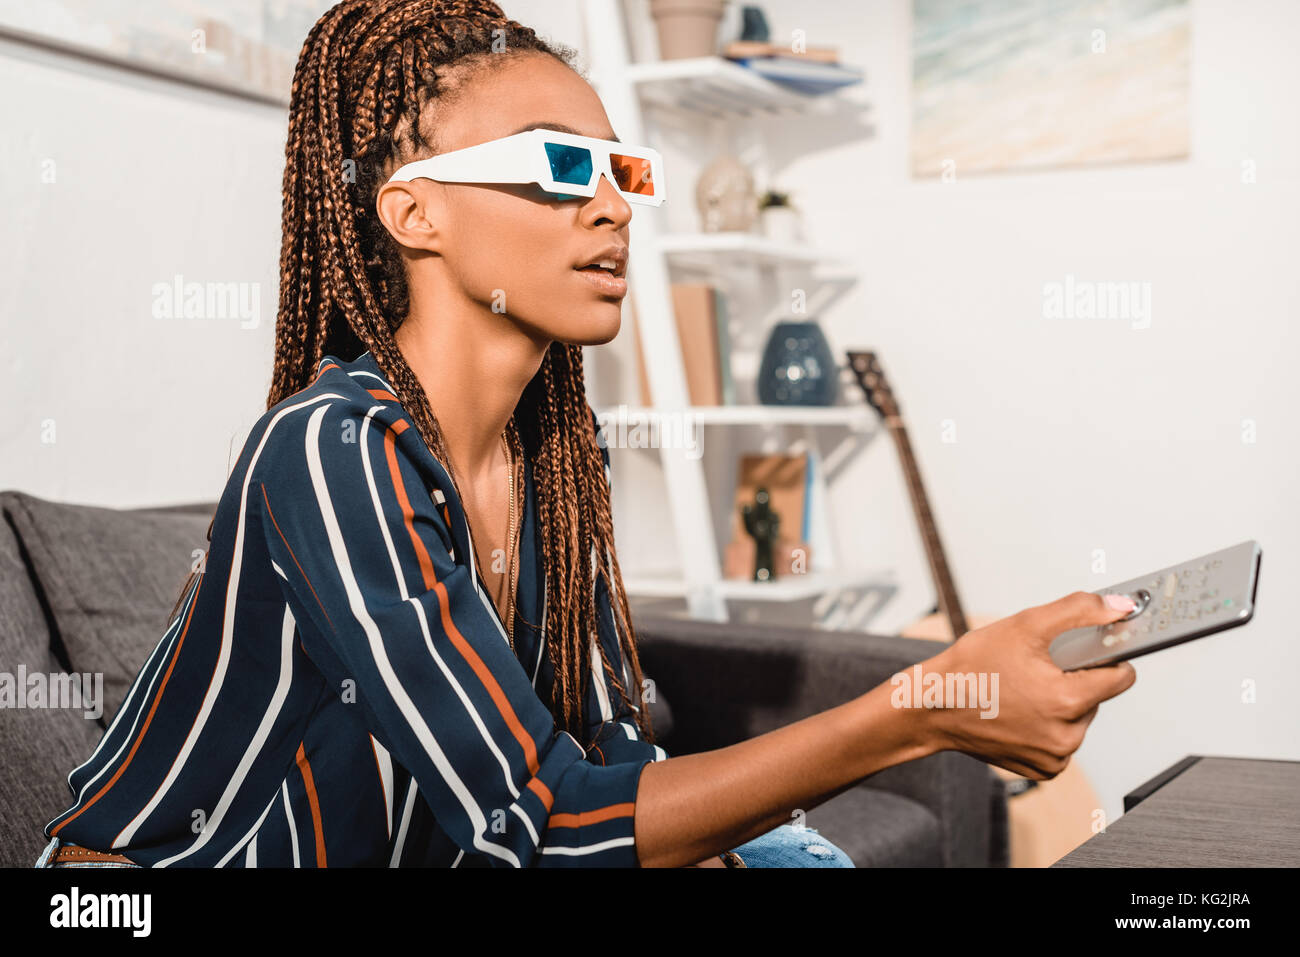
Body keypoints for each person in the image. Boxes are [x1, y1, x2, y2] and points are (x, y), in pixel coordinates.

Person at [36, 0, 1136, 869]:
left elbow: (606, 755)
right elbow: (545, 826)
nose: (609, 205)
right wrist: (922, 708)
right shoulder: (328, 451)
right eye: (561, 165)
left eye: (620, 171)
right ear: (413, 210)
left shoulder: (557, 459)